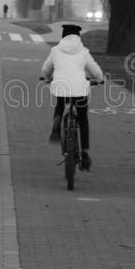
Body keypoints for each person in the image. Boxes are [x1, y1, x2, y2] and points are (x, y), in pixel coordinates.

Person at [41, 23, 104, 170]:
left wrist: (46, 77)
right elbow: (95, 70)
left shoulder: (56, 50)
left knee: (60, 102)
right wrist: (99, 79)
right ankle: (85, 152)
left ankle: (57, 123)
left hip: (61, 87)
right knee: (82, 119)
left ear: (63, 36)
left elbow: (46, 69)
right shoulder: (83, 51)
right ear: (78, 37)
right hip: (80, 89)